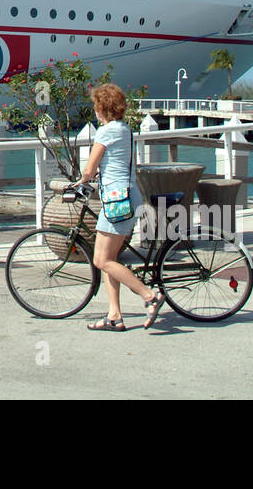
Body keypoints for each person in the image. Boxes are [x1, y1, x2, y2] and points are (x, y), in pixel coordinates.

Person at [78, 83, 164, 331]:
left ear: (102, 108)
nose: (95, 110)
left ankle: (149, 296)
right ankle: (114, 316)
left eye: (96, 106)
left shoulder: (105, 132)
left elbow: (89, 168)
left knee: (101, 260)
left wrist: (79, 181)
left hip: (117, 202)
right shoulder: (125, 129)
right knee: (109, 258)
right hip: (129, 195)